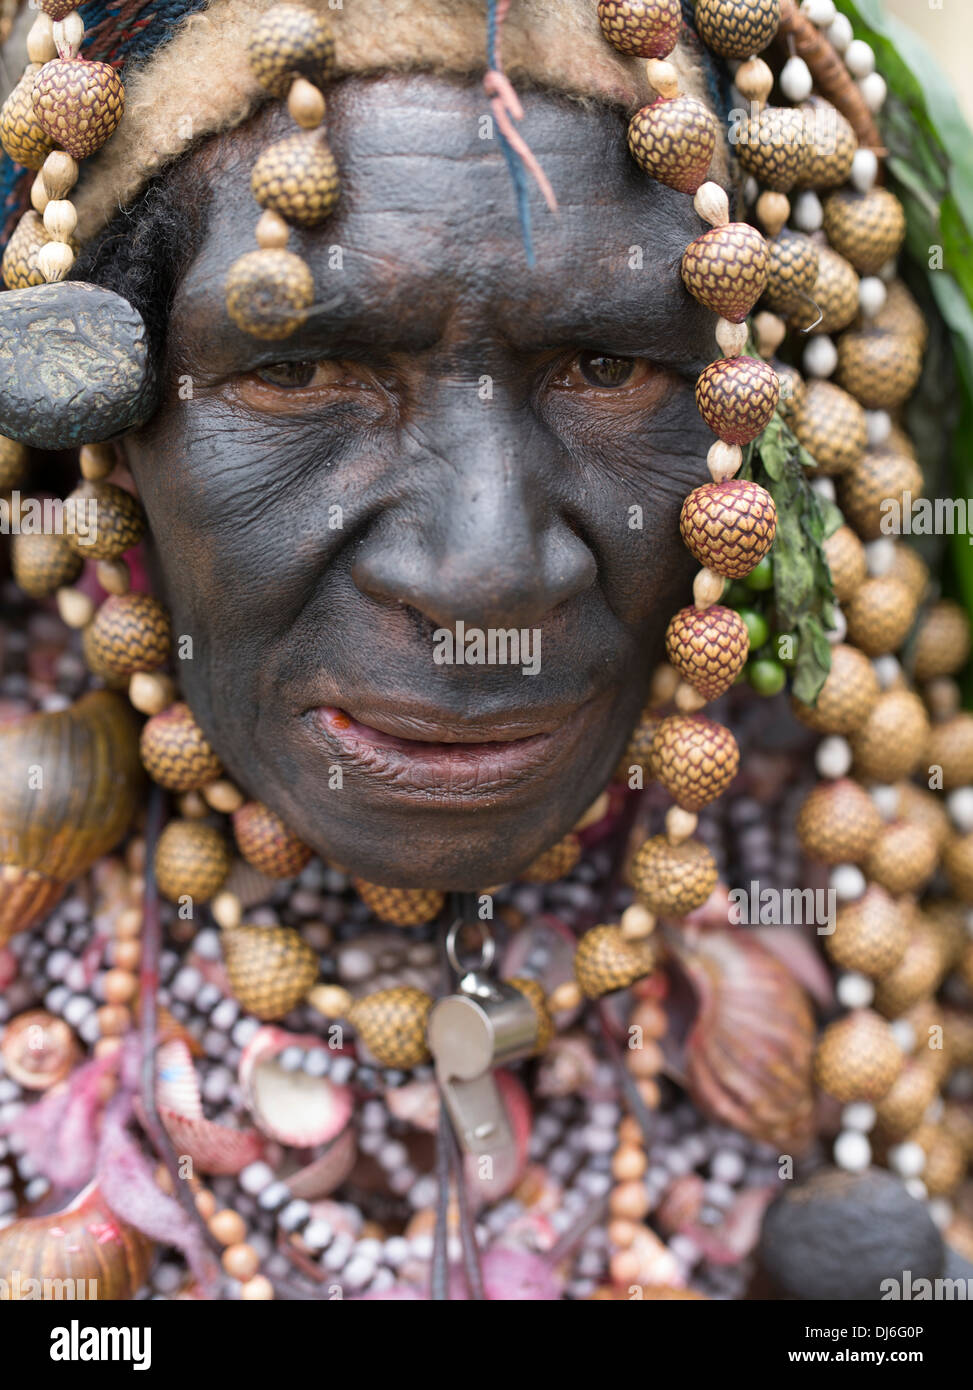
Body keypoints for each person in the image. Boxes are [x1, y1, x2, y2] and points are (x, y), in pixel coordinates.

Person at [0, 0, 970, 1303]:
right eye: (299, 370)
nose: (480, 572)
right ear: (95, 419)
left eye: (606, 364)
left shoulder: (897, 906)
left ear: (783, 420)